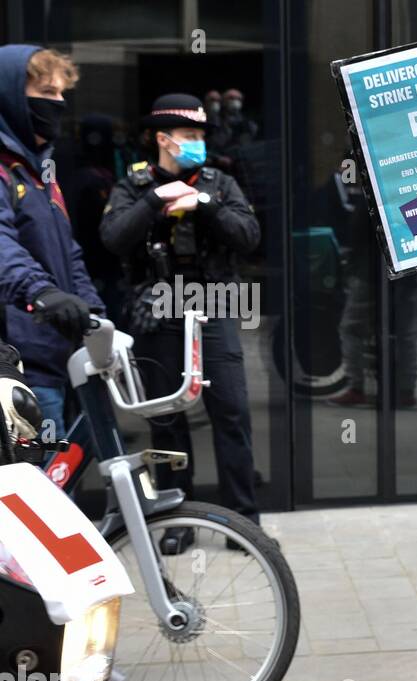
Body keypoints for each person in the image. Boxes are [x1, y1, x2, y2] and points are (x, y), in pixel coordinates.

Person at [99, 93, 262, 550]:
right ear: (163, 139)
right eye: (189, 137)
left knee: (231, 410)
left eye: (200, 136)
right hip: (159, 303)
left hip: (215, 299)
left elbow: (249, 236)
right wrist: (155, 202)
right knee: (167, 417)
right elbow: (112, 238)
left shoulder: (219, 182)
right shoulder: (135, 185)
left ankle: (243, 523)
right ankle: (177, 519)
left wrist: (203, 204)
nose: (197, 144)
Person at [0, 45, 105, 439]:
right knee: (39, 489)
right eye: (46, 93)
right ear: (10, 95)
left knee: (63, 481)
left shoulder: (38, 171)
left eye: (62, 93)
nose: (58, 103)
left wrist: (92, 309)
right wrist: (41, 292)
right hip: (20, 361)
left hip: (59, 354)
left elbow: (68, 252)